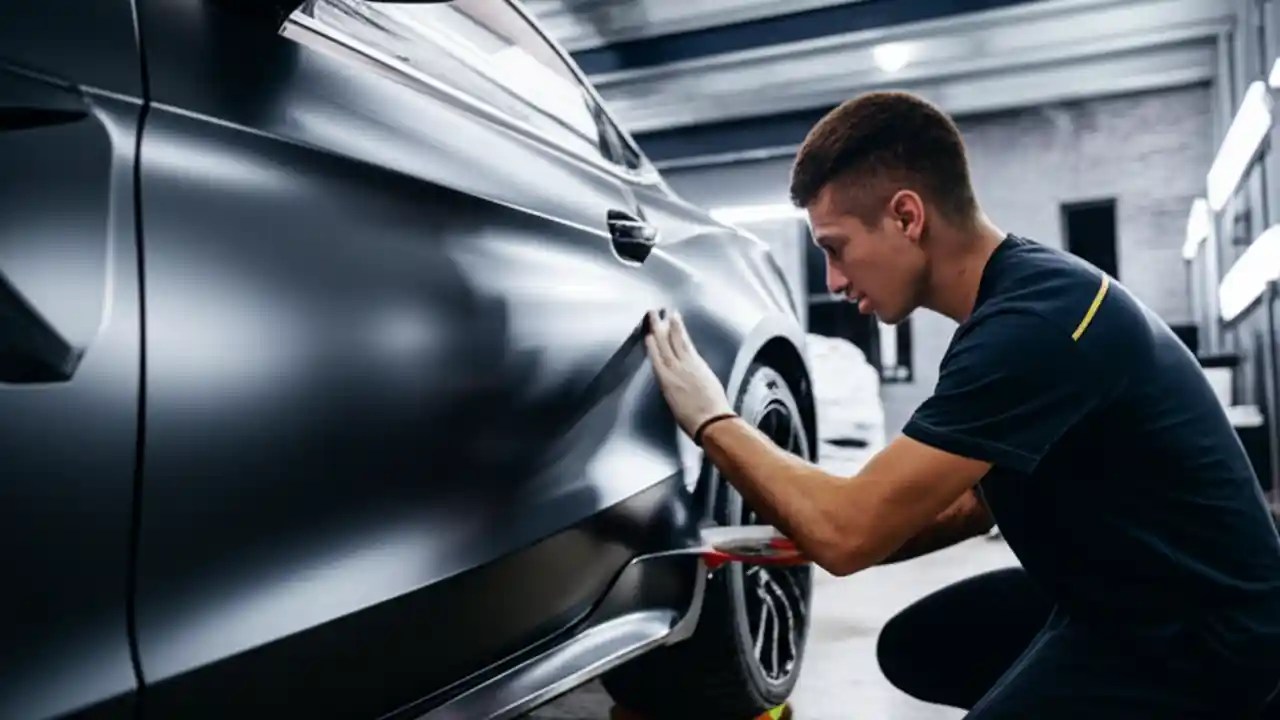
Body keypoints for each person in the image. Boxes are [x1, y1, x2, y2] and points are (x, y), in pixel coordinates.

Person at [642, 90, 1280, 718]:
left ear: (907, 217)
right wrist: (807, 527)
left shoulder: (1032, 326)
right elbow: (970, 504)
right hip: (1123, 592)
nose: (834, 283)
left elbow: (847, 532)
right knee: (918, 646)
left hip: (1206, 637)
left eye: (835, 247)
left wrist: (711, 418)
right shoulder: (1016, 301)